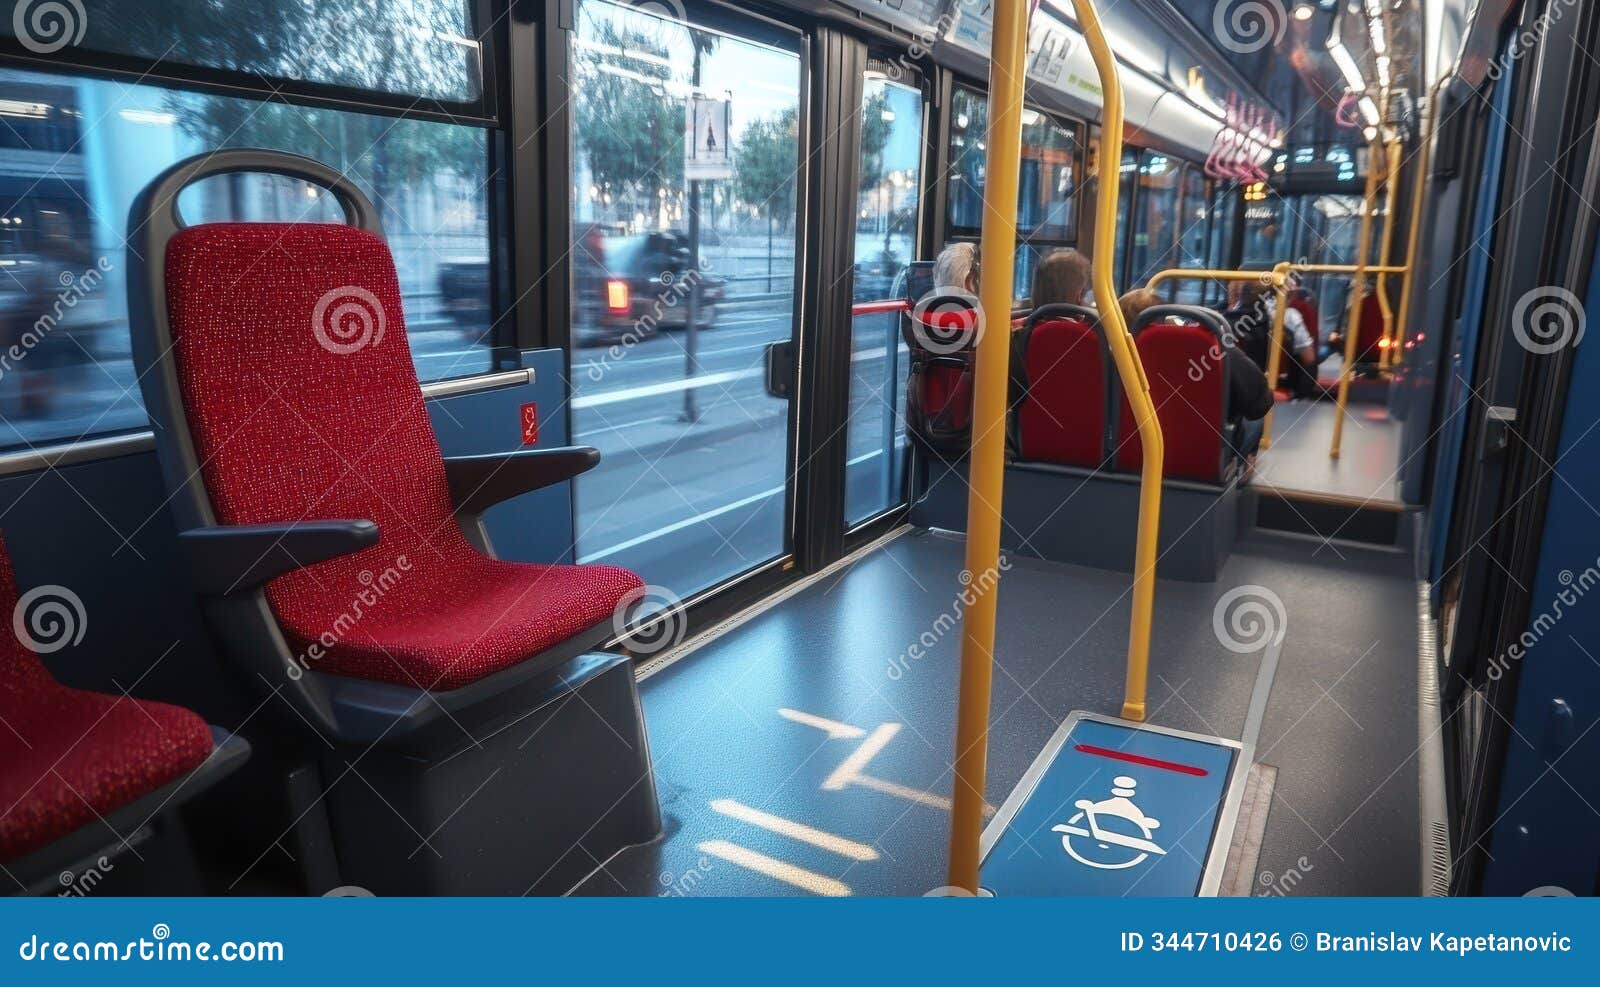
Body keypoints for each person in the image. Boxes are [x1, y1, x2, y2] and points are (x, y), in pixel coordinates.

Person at [1121, 288, 1272, 466]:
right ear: (1166, 320)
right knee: (1254, 421)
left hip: (1127, 452)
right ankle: (1241, 466)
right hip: (1202, 459)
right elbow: (1259, 405)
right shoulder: (1211, 350)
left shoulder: (1110, 353)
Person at [1227, 280, 1317, 397]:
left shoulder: (1224, 320)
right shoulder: (1290, 316)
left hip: (1231, 384)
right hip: (1273, 385)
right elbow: (1309, 359)